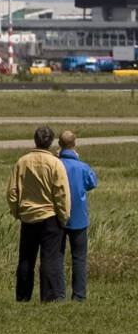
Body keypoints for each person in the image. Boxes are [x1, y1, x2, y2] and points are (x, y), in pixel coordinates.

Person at [7, 126, 71, 304]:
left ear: (35, 140)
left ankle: (23, 296)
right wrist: (64, 215)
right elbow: (62, 192)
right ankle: (48, 296)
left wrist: (17, 211)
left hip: (28, 216)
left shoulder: (23, 162)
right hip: (50, 216)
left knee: (26, 259)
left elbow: (12, 191)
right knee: (49, 259)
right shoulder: (55, 163)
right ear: (50, 142)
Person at [57, 129, 97, 302]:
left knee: (57, 257)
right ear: (74, 145)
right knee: (79, 258)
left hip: (58, 216)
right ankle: (79, 295)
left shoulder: (56, 165)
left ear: (59, 145)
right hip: (79, 217)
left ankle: (58, 294)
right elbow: (92, 182)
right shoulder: (82, 167)